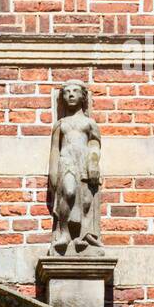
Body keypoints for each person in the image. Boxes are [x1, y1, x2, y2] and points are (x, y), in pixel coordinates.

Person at [48, 80, 103, 256]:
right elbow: (55, 149)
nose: (71, 94)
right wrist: (52, 173)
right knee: (69, 192)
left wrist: (93, 161)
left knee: (86, 201)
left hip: (84, 164)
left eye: (75, 91)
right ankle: (64, 232)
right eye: (67, 92)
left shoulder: (89, 123)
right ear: (62, 97)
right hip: (66, 162)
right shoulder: (61, 124)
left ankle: (83, 235)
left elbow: (95, 143)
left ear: (83, 96)